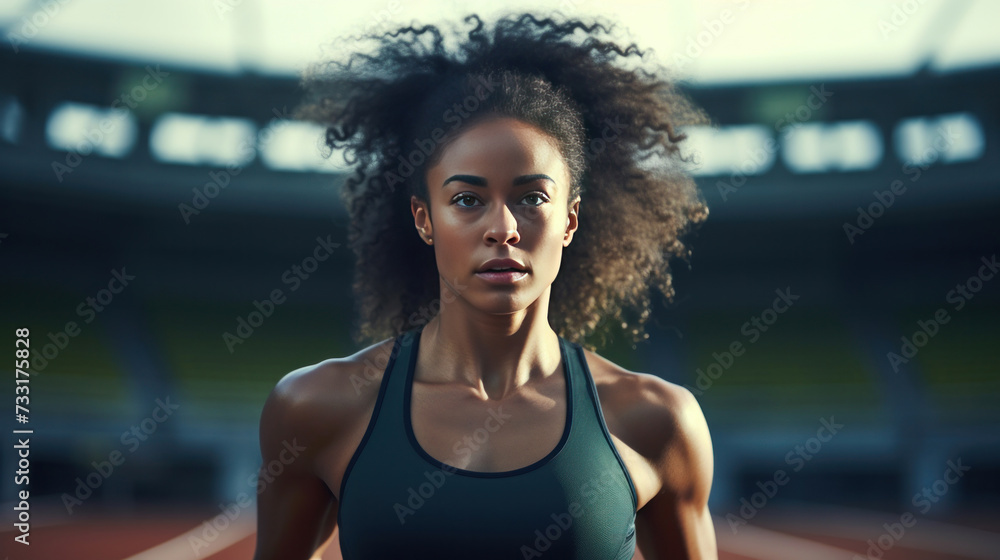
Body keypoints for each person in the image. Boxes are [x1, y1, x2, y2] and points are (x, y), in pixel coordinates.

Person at [253, 12, 716, 560]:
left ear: (570, 221)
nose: (503, 228)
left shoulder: (658, 421)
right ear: (424, 219)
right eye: (467, 199)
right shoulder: (315, 408)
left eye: (532, 197)